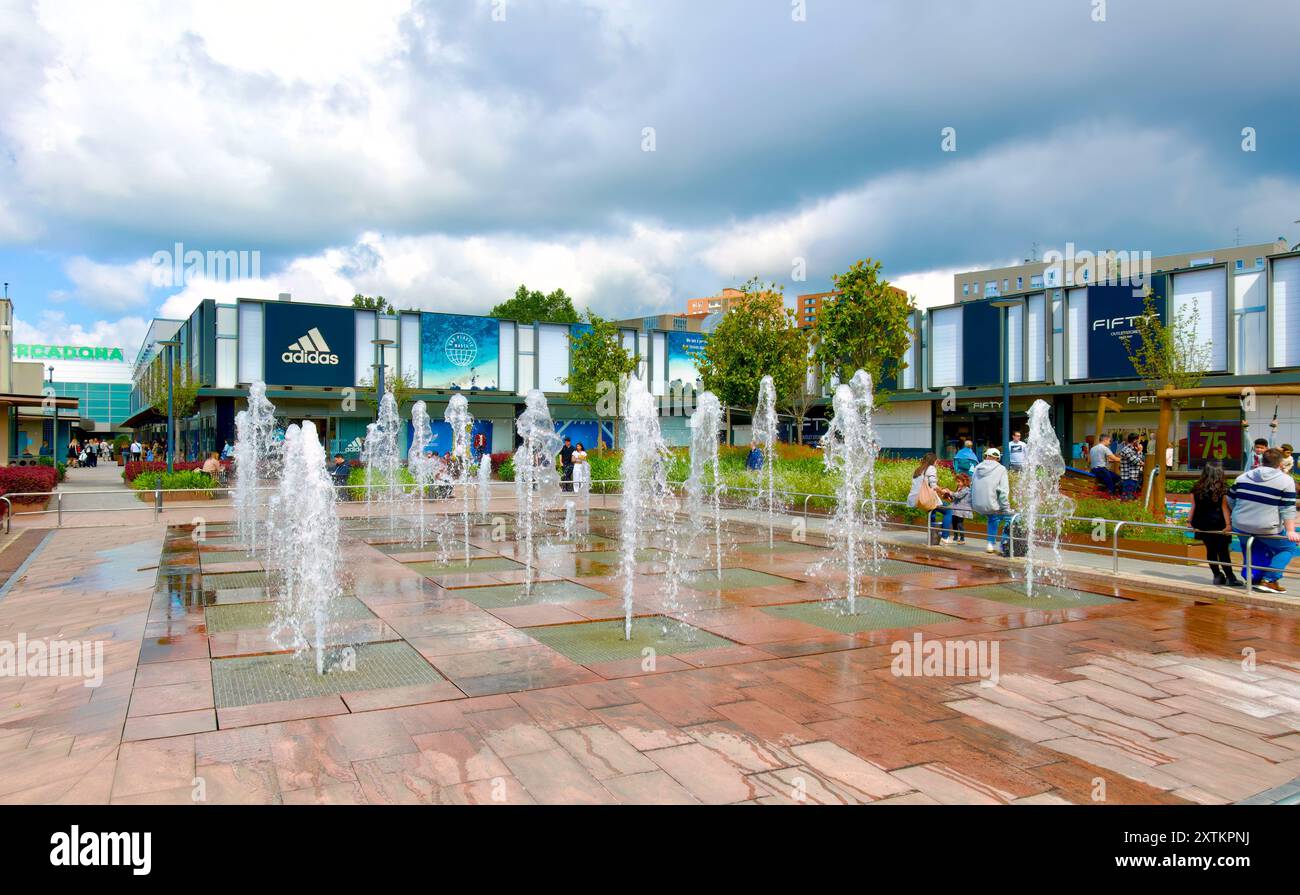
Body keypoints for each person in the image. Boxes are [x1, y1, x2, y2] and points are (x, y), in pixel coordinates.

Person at [1228, 447, 1300, 594]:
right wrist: (1291, 531)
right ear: (1280, 463)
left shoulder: (1243, 476)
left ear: (1262, 460)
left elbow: (1230, 499)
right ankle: (1269, 580)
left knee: (1251, 547)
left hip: (1240, 524)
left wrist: (1238, 515)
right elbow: (1287, 509)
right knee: (1288, 547)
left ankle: (1253, 578)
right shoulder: (1286, 481)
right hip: (1266, 527)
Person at [1190, 462, 1242, 588]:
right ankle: (1231, 577)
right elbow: (1225, 508)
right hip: (1218, 523)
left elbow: (1193, 507)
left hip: (1202, 523)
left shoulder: (1196, 488)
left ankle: (1217, 575)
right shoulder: (1223, 489)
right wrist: (1229, 524)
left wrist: (1189, 522)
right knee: (1223, 552)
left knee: (1211, 550)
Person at [907, 451, 954, 545]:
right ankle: (945, 537)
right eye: (936, 460)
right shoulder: (931, 468)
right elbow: (933, 486)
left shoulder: (918, 470)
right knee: (949, 510)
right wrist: (943, 491)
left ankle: (932, 538)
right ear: (933, 461)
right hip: (927, 499)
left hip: (917, 499)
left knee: (932, 512)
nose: (937, 462)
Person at [972, 447, 1012, 553]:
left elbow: (972, 486)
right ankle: (1003, 545)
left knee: (993, 518)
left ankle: (990, 543)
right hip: (991, 504)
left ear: (986, 456)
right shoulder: (1001, 469)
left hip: (976, 504)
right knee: (1010, 518)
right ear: (998, 459)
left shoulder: (977, 467)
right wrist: (1006, 508)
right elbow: (1003, 493)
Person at [1118, 432, 1145, 498]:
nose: (1139, 442)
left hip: (1134, 476)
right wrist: (1140, 451)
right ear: (1135, 440)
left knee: (1132, 497)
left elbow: (1138, 460)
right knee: (1127, 497)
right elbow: (1135, 461)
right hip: (1128, 477)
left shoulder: (1133, 449)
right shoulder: (1127, 449)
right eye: (1138, 440)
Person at [949, 473, 973, 544]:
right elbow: (955, 497)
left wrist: (950, 492)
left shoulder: (966, 489)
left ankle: (962, 538)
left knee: (960, 523)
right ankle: (955, 536)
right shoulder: (959, 488)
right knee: (954, 522)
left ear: (964, 481)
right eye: (957, 481)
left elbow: (959, 496)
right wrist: (949, 496)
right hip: (956, 508)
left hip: (962, 509)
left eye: (959, 482)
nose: (958, 483)